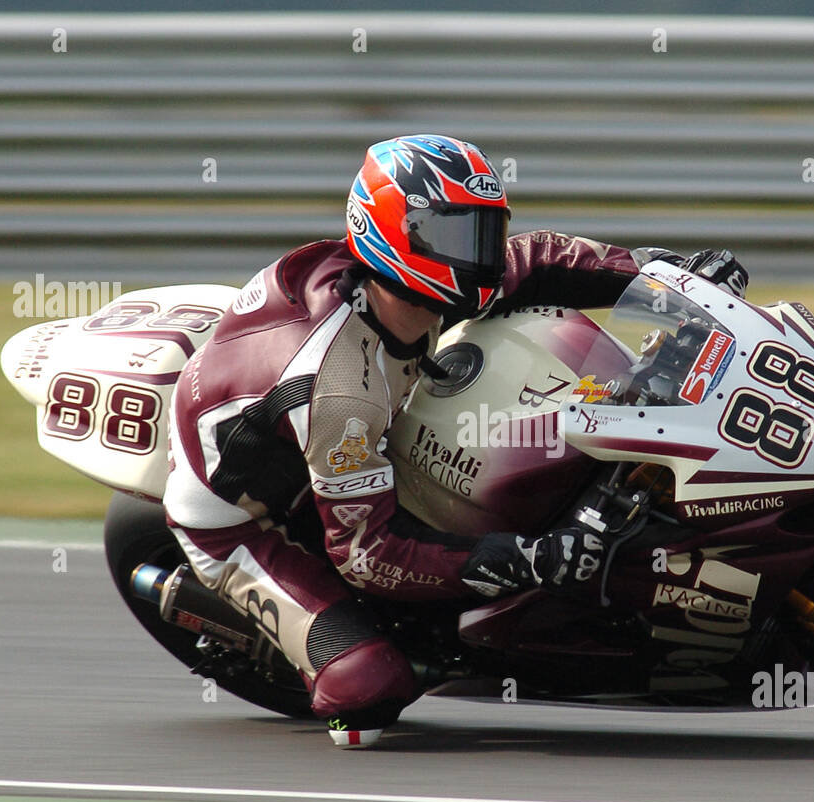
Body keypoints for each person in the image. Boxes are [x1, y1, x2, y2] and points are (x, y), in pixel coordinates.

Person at [162, 134, 747, 747]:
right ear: (392, 235)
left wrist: (663, 273)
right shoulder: (343, 391)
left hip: (324, 431)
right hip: (240, 517)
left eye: (484, 233)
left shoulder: (407, 288)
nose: (482, 256)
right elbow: (367, 552)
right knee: (366, 694)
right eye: (459, 236)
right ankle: (282, 632)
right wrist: (528, 557)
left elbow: (540, 261)